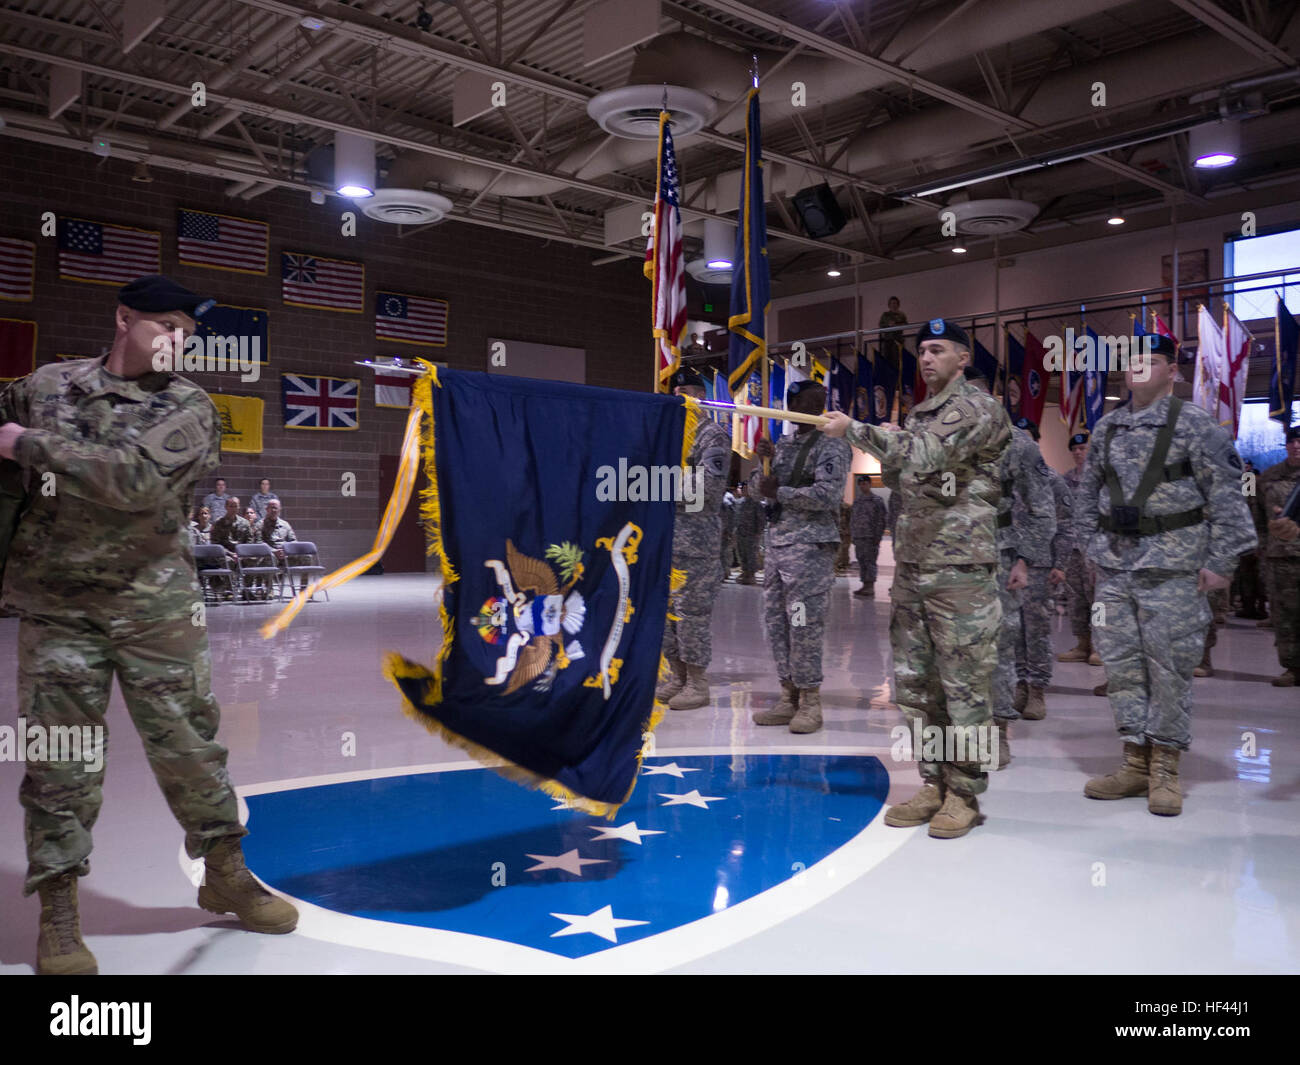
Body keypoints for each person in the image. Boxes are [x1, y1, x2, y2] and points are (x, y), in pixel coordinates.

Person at [0, 274, 297, 976]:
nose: (176, 341)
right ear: (122, 316)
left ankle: (226, 872)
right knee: (59, 761)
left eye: (188, 334)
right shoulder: (44, 388)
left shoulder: (190, 405)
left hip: (154, 608)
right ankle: (59, 911)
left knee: (190, 748)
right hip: (57, 607)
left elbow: (134, 479)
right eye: (165, 325)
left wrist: (26, 447)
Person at [825, 319, 1010, 837]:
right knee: (916, 685)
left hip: (961, 572)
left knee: (965, 685)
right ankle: (932, 781)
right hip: (914, 567)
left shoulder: (976, 408)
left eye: (937, 349)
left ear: (963, 358)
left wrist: (854, 429)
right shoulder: (922, 414)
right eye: (922, 351)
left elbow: (926, 455)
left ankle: (965, 792)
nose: (926, 358)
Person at [1074, 333, 1256, 816]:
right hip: (1115, 571)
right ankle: (1134, 761)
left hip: (1173, 569)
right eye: (1132, 361)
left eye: (1150, 361)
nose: (1138, 369)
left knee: (1169, 669)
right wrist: (1093, 549)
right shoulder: (1107, 429)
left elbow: (1228, 499)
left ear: (1172, 371)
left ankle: (1166, 769)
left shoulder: (1199, 427)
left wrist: (1222, 563)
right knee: (1121, 668)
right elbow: (1086, 497)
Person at [751, 380, 850, 734]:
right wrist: (760, 463)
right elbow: (757, 490)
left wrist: (782, 491)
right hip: (777, 547)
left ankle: (810, 701)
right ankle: (787, 695)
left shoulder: (832, 446)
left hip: (809, 549)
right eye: (799, 402)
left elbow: (827, 495)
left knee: (803, 624)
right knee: (777, 624)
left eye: (814, 402)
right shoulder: (782, 447)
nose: (806, 409)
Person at [656, 367, 731, 711]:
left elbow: (709, 490)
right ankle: (678, 676)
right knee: (668, 615)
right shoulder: (669, 436)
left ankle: (698, 683)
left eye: (684, 392)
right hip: (666, 540)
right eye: (675, 393)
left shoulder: (712, 436)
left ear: (699, 396)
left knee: (692, 616)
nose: (678, 399)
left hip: (696, 544)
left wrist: (656, 487)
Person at [1009, 417, 1059, 723]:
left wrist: (1062, 564)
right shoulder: (1005, 479)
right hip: (1009, 562)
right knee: (1013, 631)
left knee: (1036, 630)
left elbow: (1065, 525)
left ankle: (1038, 690)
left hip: (1038, 565)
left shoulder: (1051, 480)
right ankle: (1020, 684)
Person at [1253, 425, 1300, 686]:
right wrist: (1262, 545)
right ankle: (1292, 667)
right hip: (1280, 556)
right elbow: (1257, 516)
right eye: (1292, 442)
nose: (1297, 446)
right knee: (1284, 616)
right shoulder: (1269, 477)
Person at [1055, 433, 1099, 665]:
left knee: (1099, 599)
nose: (1079, 452)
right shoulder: (1066, 480)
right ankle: (1082, 642)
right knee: (1076, 598)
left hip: (1094, 549)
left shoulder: (1100, 479)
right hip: (1072, 548)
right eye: (1075, 449)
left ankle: (1099, 645)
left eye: (1083, 448)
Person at [850, 474, 887, 598]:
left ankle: (870, 586)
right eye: (860, 484)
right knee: (861, 561)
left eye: (865, 483)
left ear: (870, 484)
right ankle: (864, 585)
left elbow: (881, 520)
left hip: (871, 537)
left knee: (870, 561)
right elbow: (853, 519)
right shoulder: (857, 501)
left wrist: (878, 536)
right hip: (859, 536)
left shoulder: (877, 500)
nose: (862, 486)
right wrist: (853, 535)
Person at [734, 482, 766, 585]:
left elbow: (761, 519)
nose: (744, 491)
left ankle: (751, 575)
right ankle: (745, 572)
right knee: (741, 553)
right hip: (740, 532)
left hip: (752, 533)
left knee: (751, 554)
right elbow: (736, 517)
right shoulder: (739, 502)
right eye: (743, 489)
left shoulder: (756, 503)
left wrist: (759, 531)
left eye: (747, 489)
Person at [211, 495, 253, 565]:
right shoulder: (218, 523)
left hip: (242, 554)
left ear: (239, 507)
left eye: (235, 506)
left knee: (254, 560)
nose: (233, 509)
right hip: (225, 554)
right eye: (231, 506)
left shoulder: (245, 523)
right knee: (229, 562)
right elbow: (216, 544)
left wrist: (241, 554)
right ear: (226, 507)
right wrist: (230, 554)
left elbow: (249, 541)